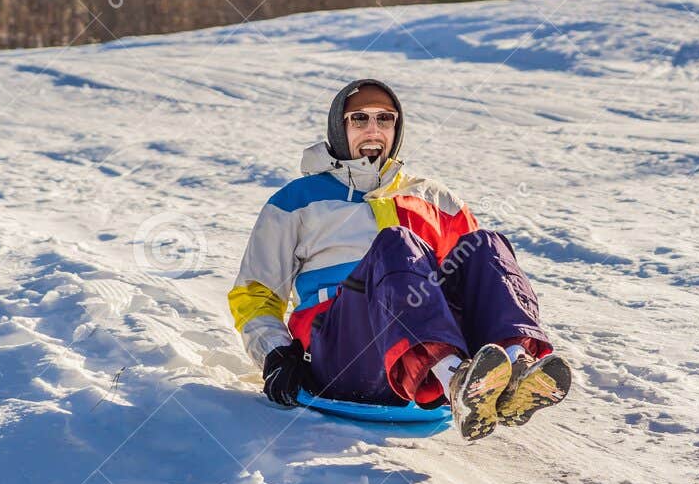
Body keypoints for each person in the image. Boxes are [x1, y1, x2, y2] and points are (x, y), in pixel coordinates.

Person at [227, 78, 571, 441]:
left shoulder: (435, 198)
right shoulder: (298, 200)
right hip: (345, 354)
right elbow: (255, 296)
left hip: (417, 379)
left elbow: (476, 286)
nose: (373, 129)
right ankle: (453, 378)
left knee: (486, 244)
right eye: (359, 119)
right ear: (339, 127)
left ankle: (514, 369)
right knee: (396, 243)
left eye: (385, 119)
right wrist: (276, 356)